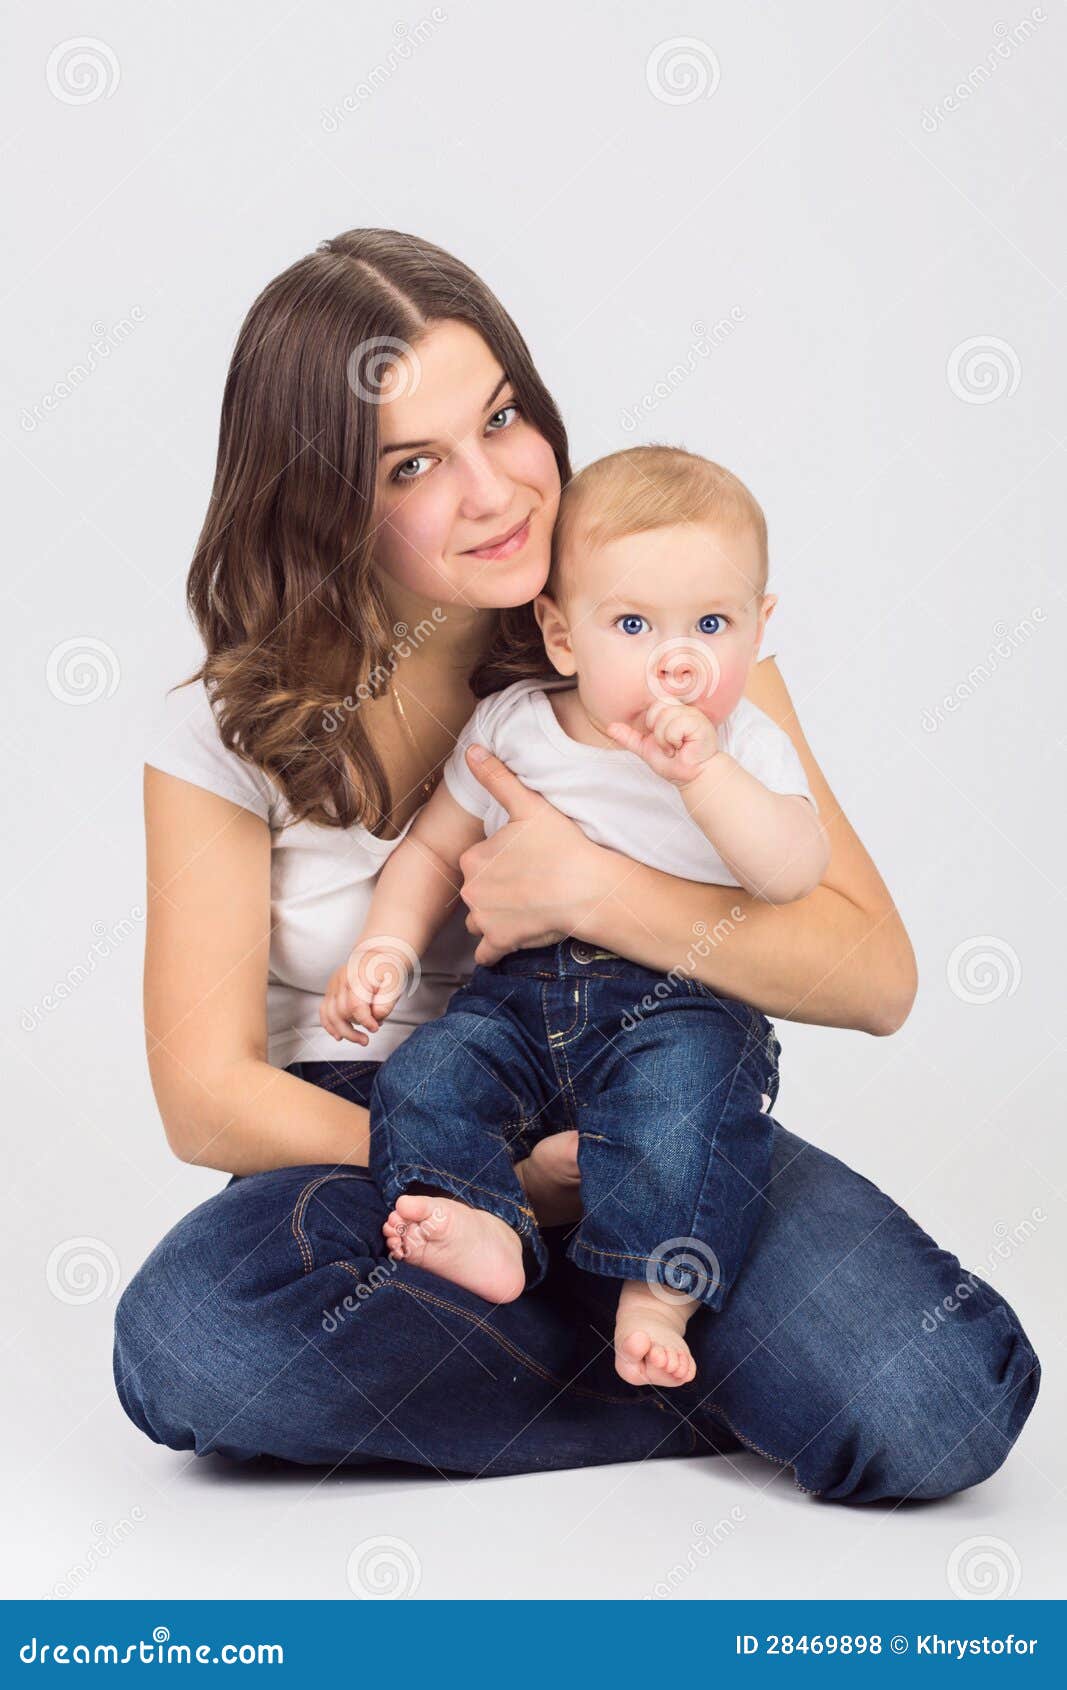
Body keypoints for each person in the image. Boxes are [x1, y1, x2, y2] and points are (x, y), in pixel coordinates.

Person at [113, 227, 1039, 1501]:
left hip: (651, 1096)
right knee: (194, 1335)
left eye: (501, 417)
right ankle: (674, 1341)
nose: (495, 490)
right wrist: (492, 1181)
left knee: (937, 1400)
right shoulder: (225, 726)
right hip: (377, 1153)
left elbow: (874, 976)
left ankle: (595, 1312)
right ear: (322, 500)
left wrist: (597, 893)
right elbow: (207, 1096)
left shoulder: (657, 634)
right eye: (413, 463)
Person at [322, 446, 829, 1390]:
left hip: (677, 1006)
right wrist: (386, 947)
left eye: (710, 624)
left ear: (758, 631)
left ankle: (655, 1295)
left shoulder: (744, 745)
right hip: (514, 1001)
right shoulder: (516, 722)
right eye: (632, 623)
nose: (675, 659)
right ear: (562, 637)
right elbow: (433, 851)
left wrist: (705, 776)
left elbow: (793, 870)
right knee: (426, 1076)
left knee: (687, 1108)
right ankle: (485, 1221)